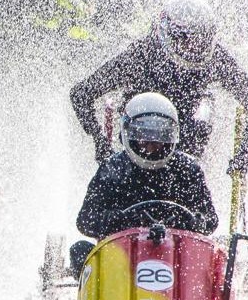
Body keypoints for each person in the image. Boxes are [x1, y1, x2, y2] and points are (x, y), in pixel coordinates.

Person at [70, 0, 248, 176]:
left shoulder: (215, 59)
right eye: (186, 41)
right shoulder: (140, 55)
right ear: (168, 33)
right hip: (138, 149)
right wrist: (100, 142)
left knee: (203, 115)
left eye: (201, 41)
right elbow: (81, 94)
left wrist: (245, 152)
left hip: (187, 151)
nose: (194, 48)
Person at [69, 92, 218, 275]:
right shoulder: (112, 169)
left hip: (179, 264)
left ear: (172, 136)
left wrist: (188, 221)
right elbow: (85, 220)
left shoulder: (187, 169)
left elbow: (210, 220)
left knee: (218, 256)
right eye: (144, 138)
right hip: (120, 264)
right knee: (79, 250)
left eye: (159, 139)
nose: (151, 147)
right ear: (127, 134)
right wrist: (123, 220)